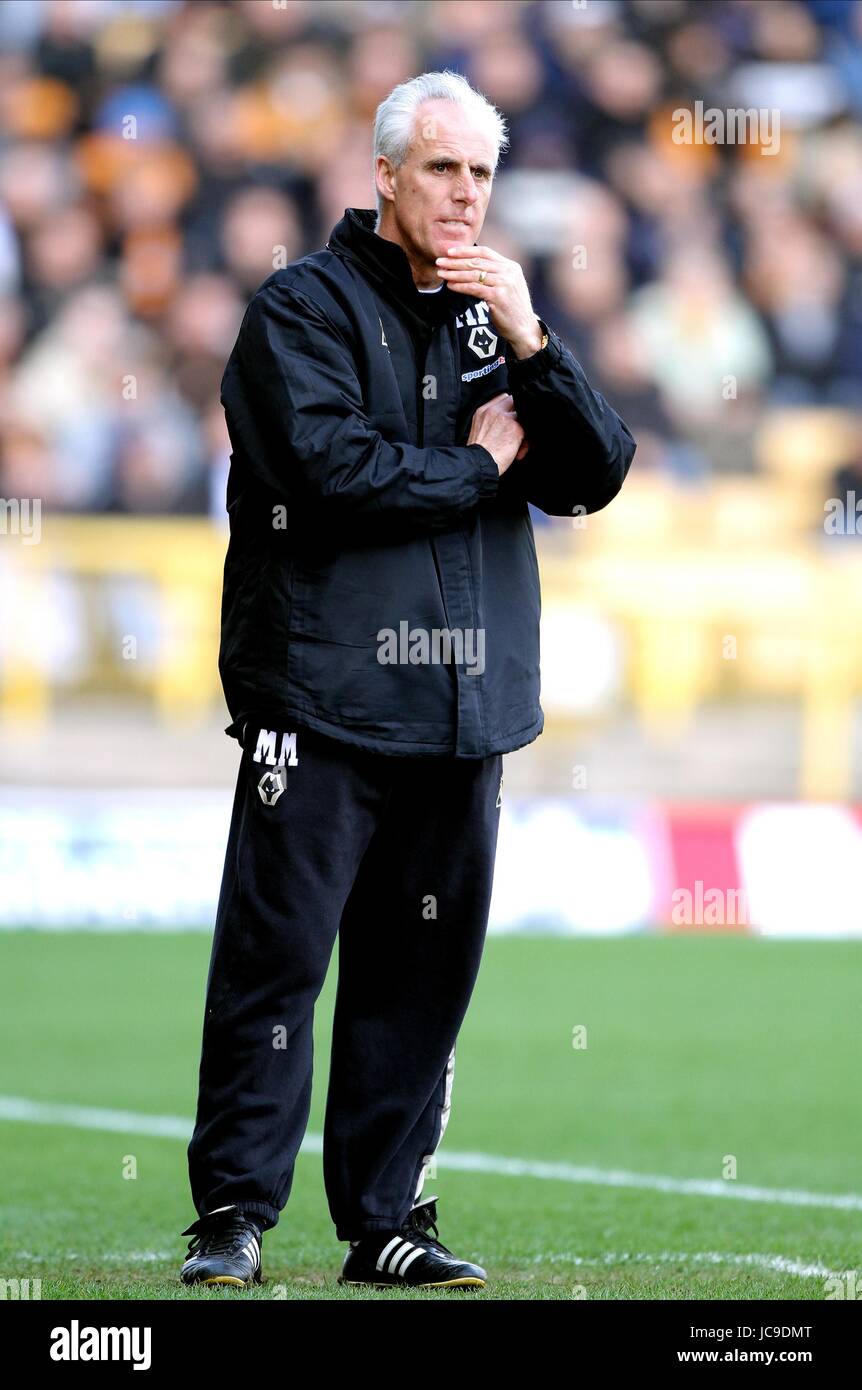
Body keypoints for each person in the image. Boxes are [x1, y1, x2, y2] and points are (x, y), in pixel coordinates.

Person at [180, 69, 635, 1292]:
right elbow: (328, 474)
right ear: (384, 174)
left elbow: (593, 475)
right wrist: (480, 470)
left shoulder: (499, 321)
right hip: (320, 703)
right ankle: (231, 1215)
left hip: (461, 710)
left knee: (418, 983)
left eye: (481, 173)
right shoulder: (300, 308)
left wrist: (536, 343)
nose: (464, 194)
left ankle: (386, 1220)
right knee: (276, 968)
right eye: (441, 169)